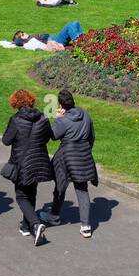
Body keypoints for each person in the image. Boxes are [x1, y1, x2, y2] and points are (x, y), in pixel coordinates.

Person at [41, 90, 98, 238]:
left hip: (66, 156)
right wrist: (86, 150)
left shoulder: (63, 120)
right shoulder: (85, 114)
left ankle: (54, 216)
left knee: (60, 186)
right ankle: (85, 226)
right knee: (82, 189)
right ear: (73, 101)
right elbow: (91, 136)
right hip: (83, 155)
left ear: (61, 104)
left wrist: (57, 118)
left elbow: (53, 136)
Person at [2, 89, 54, 245]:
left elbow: (6, 140)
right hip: (38, 162)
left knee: (21, 196)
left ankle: (36, 224)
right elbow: (47, 137)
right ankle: (26, 226)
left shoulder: (16, 120)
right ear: (31, 101)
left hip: (22, 163)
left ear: (15, 103)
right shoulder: (43, 118)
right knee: (31, 193)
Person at [12, 22, 84, 49]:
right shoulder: (29, 41)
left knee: (76, 23)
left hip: (54, 37)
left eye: (23, 32)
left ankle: (82, 40)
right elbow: (18, 41)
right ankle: (79, 42)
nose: (25, 33)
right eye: (22, 34)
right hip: (54, 40)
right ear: (21, 38)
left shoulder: (31, 38)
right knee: (69, 26)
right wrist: (16, 41)